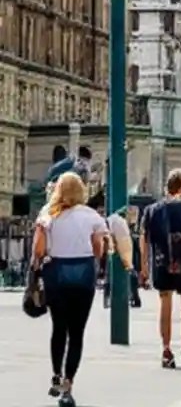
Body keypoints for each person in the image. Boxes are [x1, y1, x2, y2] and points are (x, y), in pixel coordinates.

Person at [33, 172, 108, 407]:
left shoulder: (48, 213)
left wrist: (37, 268)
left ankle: (56, 374)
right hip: (83, 273)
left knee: (59, 328)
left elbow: (38, 249)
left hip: (56, 273)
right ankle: (68, 384)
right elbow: (98, 248)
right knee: (77, 333)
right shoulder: (91, 216)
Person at [139, 169, 181, 368]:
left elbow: (144, 238)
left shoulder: (152, 210)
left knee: (165, 305)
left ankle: (166, 349)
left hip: (161, 261)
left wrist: (144, 266)